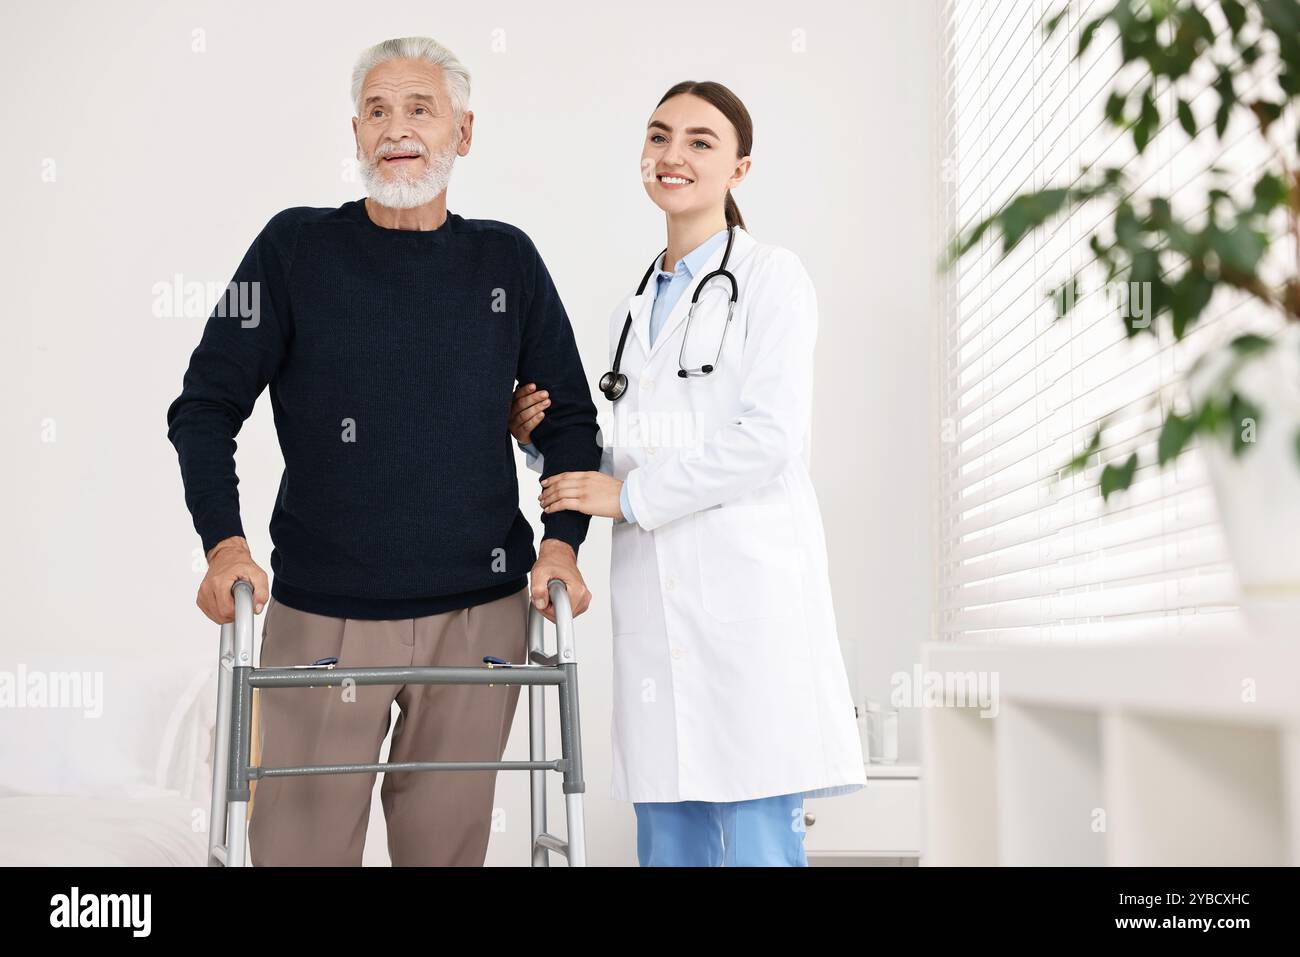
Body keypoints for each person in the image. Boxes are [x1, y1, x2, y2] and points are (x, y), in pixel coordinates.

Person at [166, 36, 601, 866]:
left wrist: (561, 545)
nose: (396, 129)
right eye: (376, 111)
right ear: (356, 134)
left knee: (446, 855)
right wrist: (224, 545)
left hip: (479, 615)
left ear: (463, 133)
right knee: (299, 853)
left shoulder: (504, 257)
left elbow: (571, 420)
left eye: (419, 109)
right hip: (324, 612)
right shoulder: (295, 249)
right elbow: (206, 404)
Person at [511, 81, 866, 866]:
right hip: (656, 613)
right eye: (660, 136)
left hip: (749, 598)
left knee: (759, 841)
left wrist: (629, 496)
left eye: (701, 142)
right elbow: (640, 454)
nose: (674, 155)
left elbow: (769, 438)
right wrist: (547, 448)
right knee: (667, 839)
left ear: (740, 166)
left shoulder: (773, 278)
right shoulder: (635, 308)